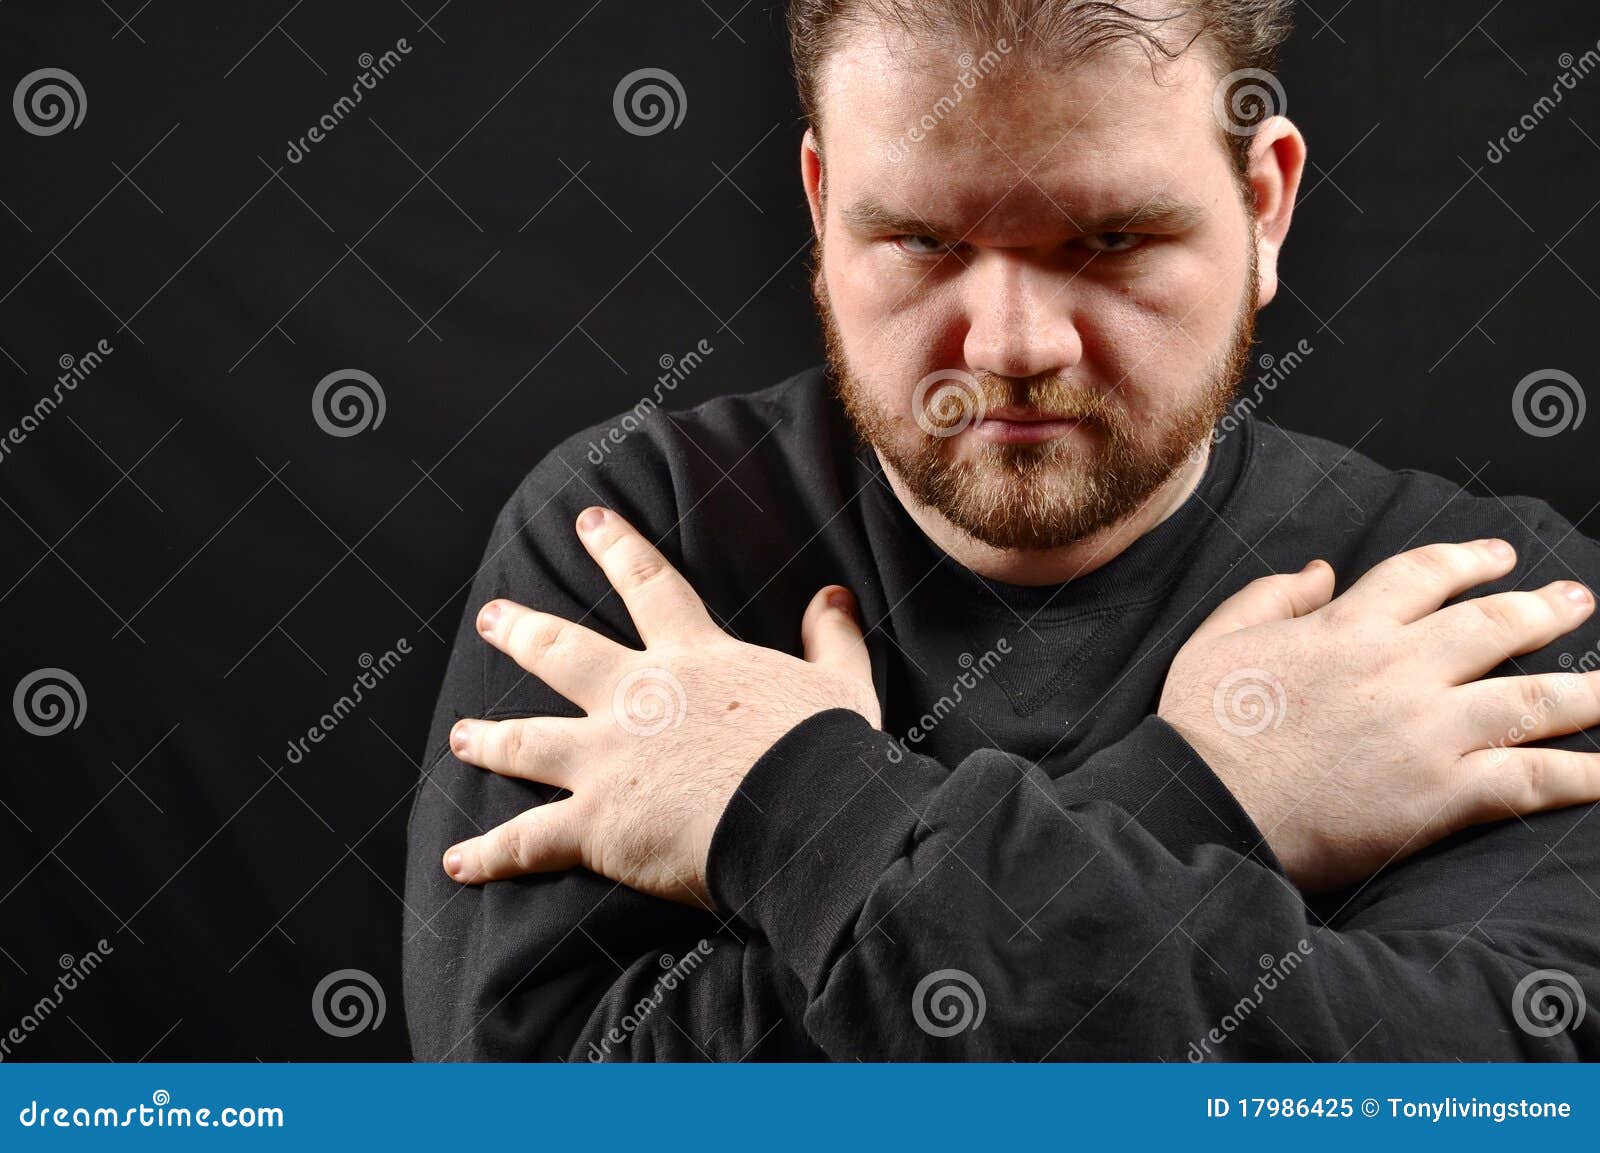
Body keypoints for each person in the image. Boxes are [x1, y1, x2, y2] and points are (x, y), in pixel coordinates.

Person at [402, 0, 1600, 1060]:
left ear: (1264, 204)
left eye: (1111, 240)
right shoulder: (641, 534)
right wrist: (1203, 796)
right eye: (923, 241)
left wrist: (792, 811)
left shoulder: (1477, 607)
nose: (1011, 348)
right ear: (822, 211)